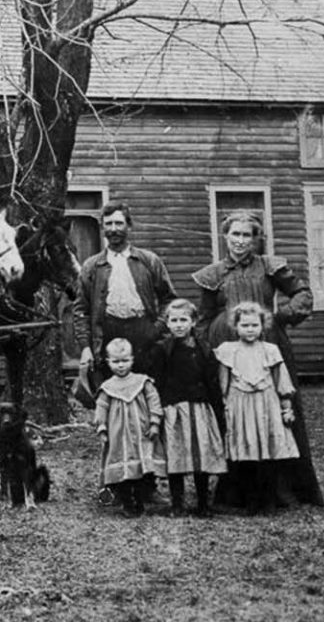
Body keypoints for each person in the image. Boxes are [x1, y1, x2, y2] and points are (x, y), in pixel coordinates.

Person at [193, 210, 324, 506]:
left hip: (267, 344)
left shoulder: (269, 267)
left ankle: (285, 488)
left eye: (246, 235)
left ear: (256, 239)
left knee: (278, 408)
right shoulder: (213, 273)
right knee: (233, 412)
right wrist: (204, 353)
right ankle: (235, 491)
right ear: (225, 236)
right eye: (235, 234)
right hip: (226, 347)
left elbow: (302, 293)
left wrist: (279, 318)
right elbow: (203, 318)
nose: (240, 241)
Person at [73, 201, 177, 387]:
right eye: (109, 224)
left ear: (129, 226)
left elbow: (169, 301)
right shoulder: (91, 266)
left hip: (143, 332)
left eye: (119, 223)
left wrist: (156, 329)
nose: (114, 229)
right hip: (106, 333)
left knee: (147, 388)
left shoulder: (149, 261)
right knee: (110, 390)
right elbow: (81, 310)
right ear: (102, 227)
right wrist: (86, 347)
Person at [214, 301, 301, 516]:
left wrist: (286, 407)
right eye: (245, 325)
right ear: (236, 327)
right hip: (240, 406)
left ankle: (269, 501)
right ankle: (250, 501)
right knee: (246, 454)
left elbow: (282, 382)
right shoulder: (228, 350)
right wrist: (224, 406)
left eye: (254, 325)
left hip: (266, 405)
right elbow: (222, 383)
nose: (250, 330)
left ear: (262, 326)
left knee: (268, 453)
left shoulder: (270, 350)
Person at [144, 298, 226, 517]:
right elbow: (157, 383)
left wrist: (218, 410)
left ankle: (202, 504)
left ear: (193, 322)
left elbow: (212, 381)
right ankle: (177, 503)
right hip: (173, 410)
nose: (179, 325)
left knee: (202, 456)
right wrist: (158, 410)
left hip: (199, 409)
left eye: (183, 320)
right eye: (174, 320)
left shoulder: (204, 348)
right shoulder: (162, 350)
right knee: (175, 454)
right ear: (168, 324)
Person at [93, 337, 165, 517]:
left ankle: (140, 501)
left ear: (132, 360)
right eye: (116, 361)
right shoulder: (108, 387)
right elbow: (101, 408)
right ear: (108, 362)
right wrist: (102, 428)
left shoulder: (142, 382)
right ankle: (126, 503)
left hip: (141, 432)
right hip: (118, 435)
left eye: (125, 360)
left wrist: (155, 422)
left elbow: (154, 400)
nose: (121, 365)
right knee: (122, 471)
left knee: (141, 469)